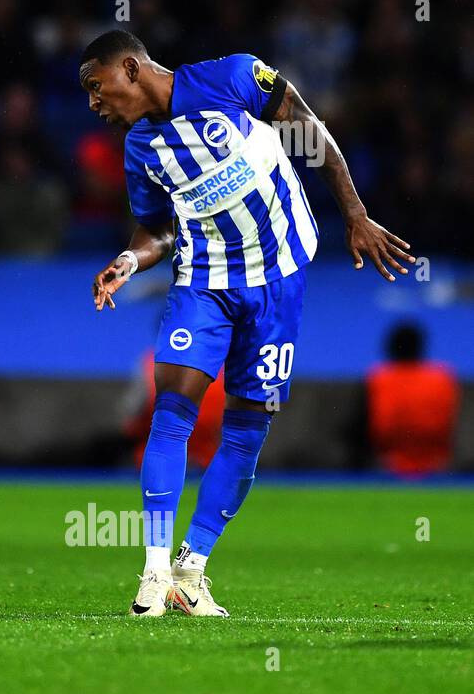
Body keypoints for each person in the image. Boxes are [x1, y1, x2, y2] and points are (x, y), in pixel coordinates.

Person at [80, 30, 412, 617]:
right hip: (204, 280)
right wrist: (130, 260)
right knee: (173, 408)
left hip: (280, 275)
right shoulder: (140, 149)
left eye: (96, 86)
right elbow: (158, 228)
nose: (94, 103)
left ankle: (192, 570)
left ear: (130, 68)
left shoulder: (231, 77)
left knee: (247, 430)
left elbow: (309, 130)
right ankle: (155, 575)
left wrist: (355, 214)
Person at [365, 323, 458, 477]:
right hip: (438, 463)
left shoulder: (379, 379)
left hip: (388, 463)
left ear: (391, 347)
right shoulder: (443, 378)